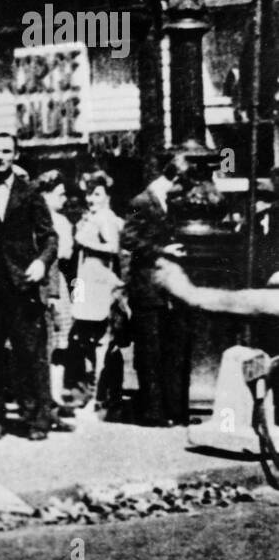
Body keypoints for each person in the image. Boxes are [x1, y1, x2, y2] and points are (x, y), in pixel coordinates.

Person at [0, 133, 66, 440]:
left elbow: (49, 236)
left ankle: (35, 420)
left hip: (23, 284)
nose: (0, 157)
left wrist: (41, 263)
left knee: (29, 353)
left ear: (16, 154)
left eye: (6, 151)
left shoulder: (29, 191)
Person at [122, 150, 193, 426]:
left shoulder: (171, 203)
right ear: (173, 177)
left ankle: (175, 410)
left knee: (172, 349)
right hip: (147, 288)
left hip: (169, 288)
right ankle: (153, 412)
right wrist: (161, 250)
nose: (186, 190)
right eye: (183, 183)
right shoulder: (141, 201)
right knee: (149, 351)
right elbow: (128, 239)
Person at [70, 171, 125, 411]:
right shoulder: (90, 217)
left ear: (107, 196)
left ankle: (100, 394)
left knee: (102, 338)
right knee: (86, 339)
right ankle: (94, 391)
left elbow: (113, 247)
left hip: (99, 281)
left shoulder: (106, 217)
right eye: (89, 194)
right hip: (86, 280)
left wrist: (85, 241)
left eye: (97, 194)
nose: (92, 199)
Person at [37, 171, 76, 410]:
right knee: (44, 338)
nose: (64, 200)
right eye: (59, 194)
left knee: (62, 336)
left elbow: (68, 256)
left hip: (59, 280)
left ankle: (56, 391)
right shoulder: (37, 219)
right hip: (44, 281)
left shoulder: (62, 221)